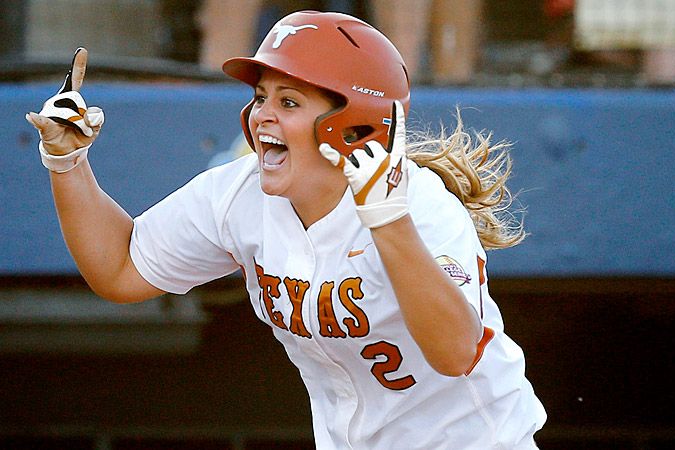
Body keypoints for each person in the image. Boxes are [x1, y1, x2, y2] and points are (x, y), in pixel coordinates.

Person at [25, 10, 546, 449]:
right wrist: (67, 162)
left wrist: (388, 222)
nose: (261, 116)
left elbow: (456, 354)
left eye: (289, 102)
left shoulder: (421, 205)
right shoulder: (239, 193)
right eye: (261, 97)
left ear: (356, 119)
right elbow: (119, 270)